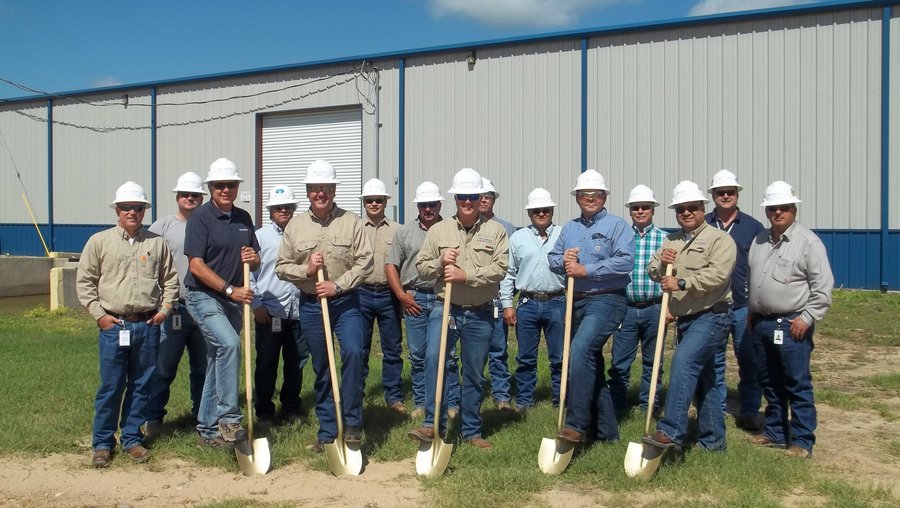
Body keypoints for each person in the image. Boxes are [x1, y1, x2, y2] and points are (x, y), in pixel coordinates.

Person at [77, 181, 179, 467]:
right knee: (111, 386)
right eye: (127, 208)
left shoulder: (156, 243)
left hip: (147, 325)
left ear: (144, 211)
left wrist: (165, 310)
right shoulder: (99, 242)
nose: (132, 212)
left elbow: (170, 279)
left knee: (142, 384)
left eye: (138, 207)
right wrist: (100, 316)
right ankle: (102, 442)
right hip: (115, 326)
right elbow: (85, 282)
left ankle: (132, 438)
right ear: (117, 211)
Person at [275, 159, 373, 452]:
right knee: (323, 367)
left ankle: (352, 423)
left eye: (326, 188)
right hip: (312, 306)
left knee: (355, 353)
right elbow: (281, 266)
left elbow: (365, 261)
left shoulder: (351, 221)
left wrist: (338, 285)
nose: (321, 194)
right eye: (315, 189)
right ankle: (328, 430)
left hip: (346, 303)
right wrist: (305, 270)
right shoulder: (295, 226)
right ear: (308, 192)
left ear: (333, 190)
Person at [408, 168, 509, 449]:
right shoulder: (439, 230)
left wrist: (466, 276)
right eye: (462, 196)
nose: (467, 201)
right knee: (434, 361)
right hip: (445, 308)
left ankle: (471, 431)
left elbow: (500, 269)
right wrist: (440, 262)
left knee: (474, 372)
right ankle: (432, 425)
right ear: (455, 199)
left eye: (473, 197)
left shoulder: (496, 231)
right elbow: (422, 269)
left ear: (481, 198)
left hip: (480, 312)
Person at [642, 180, 736, 452]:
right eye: (680, 209)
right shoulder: (671, 240)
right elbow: (652, 270)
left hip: (712, 315)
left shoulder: (720, 240)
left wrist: (682, 284)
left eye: (692, 208)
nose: (686, 213)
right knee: (706, 381)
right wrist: (662, 263)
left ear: (703, 208)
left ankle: (671, 431)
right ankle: (713, 442)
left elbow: (719, 275)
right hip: (686, 319)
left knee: (683, 364)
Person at [747, 180, 833, 459]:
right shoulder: (759, 240)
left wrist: (806, 318)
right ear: (767, 211)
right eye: (773, 208)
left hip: (792, 324)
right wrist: (751, 313)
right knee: (770, 382)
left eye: (784, 207)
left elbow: (822, 287)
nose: (778, 213)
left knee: (797, 382)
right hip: (761, 322)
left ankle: (802, 440)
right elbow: (753, 281)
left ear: (794, 209)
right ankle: (775, 431)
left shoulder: (808, 243)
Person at [549, 170, 634, 444]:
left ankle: (576, 425)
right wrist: (563, 260)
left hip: (607, 299)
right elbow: (551, 259)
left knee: (580, 351)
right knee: (591, 366)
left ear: (604, 196)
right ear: (577, 198)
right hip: (575, 302)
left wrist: (586, 269)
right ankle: (608, 435)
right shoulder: (569, 228)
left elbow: (624, 261)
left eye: (595, 194)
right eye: (584, 195)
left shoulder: (617, 226)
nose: (590, 199)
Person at [184, 157, 261, 448]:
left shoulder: (243, 218)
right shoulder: (200, 219)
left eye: (230, 185)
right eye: (219, 185)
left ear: (237, 187)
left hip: (233, 301)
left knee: (218, 358)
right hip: (204, 296)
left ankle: (206, 430)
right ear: (211, 188)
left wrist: (253, 259)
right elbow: (196, 266)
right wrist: (230, 290)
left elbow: (255, 261)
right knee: (229, 345)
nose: (225, 189)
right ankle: (229, 420)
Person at [385, 181, 461, 420]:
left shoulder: (452, 229)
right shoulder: (405, 232)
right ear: (418, 206)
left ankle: (451, 403)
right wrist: (401, 295)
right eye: (423, 205)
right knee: (418, 355)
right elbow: (391, 265)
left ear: (440, 204)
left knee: (446, 354)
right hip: (415, 299)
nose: (428, 209)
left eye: (432, 204)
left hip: (444, 298)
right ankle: (421, 401)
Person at [145, 172, 209, 438]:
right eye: (185, 194)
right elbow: (149, 264)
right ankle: (153, 419)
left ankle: (202, 416)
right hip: (174, 307)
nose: (190, 198)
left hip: (204, 306)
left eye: (194, 194)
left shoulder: (208, 223)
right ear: (177, 197)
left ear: (201, 197)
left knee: (203, 367)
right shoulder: (162, 227)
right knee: (163, 366)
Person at [705, 169, 766, 429]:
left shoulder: (753, 227)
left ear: (737, 195)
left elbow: (762, 267)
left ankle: (750, 409)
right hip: (712, 305)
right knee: (714, 360)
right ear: (713, 196)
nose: (726, 196)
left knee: (749, 360)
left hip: (742, 306)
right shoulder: (703, 224)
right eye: (721, 192)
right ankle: (716, 409)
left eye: (730, 192)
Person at [499, 188, 566, 415]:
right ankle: (524, 401)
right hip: (527, 303)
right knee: (526, 357)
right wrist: (507, 304)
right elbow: (509, 273)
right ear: (529, 213)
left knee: (559, 357)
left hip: (557, 301)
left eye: (545, 210)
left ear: (552, 210)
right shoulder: (518, 238)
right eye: (536, 210)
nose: (541, 213)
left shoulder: (563, 235)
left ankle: (561, 400)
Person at [607, 185, 668, 417]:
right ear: (630, 211)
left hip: (654, 307)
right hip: (626, 308)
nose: (640, 211)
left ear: (653, 210)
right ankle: (617, 406)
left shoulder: (665, 239)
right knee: (620, 362)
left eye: (645, 207)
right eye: (636, 208)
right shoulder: (621, 238)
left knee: (653, 363)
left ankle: (649, 406)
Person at [251, 185, 309, 423]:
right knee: (267, 363)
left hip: (299, 310)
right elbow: (249, 274)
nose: (283, 210)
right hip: (270, 311)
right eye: (278, 208)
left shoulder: (304, 235)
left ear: (294, 209)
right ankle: (264, 410)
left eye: (287, 207)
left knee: (297, 362)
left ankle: (291, 407)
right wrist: (256, 304)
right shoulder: (260, 237)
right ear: (270, 211)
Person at [358, 178, 406, 414]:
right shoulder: (356, 228)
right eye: (370, 200)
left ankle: (394, 397)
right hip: (361, 293)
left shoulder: (398, 230)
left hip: (389, 295)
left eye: (379, 200)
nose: (374, 204)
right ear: (364, 203)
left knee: (392, 348)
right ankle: (356, 393)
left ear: (386, 202)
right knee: (360, 348)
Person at [479, 177, 516, 410]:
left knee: (498, 349)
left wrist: (507, 300)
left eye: (488, 196)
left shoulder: (506, 228)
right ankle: (475, 389)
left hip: (497, 299)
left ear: (493, 200)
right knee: (474, 351)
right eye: (480, 196)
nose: (483, 200)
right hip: (473, 299)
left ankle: (501, 394)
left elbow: (510, 267)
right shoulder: (466, 226)